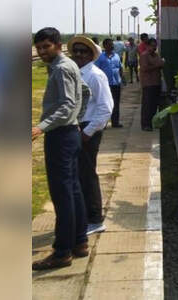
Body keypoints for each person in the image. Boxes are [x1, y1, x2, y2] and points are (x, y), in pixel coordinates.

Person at [32, 27, 89, 270]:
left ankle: (62, 251)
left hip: (61, 137)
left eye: (46, 46)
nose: (42, 51)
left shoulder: (62, 68)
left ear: (57, 45)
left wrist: (41, 127)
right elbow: (84, 92)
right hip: (69, 133)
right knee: (73, 190)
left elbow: (66, 105)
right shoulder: (66, 65)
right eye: (39, 48)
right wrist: (78, 120)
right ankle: (80, 242)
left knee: (62, 194)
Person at [68, 36, 113, 235]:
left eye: (83, 51)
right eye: (76, 51)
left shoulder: (95, 75)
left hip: (88, 129)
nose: (78, 54)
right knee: (78, 174)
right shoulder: (76, 73)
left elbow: (106, 108)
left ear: (90, 54)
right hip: (78, 127)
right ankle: (84, 215)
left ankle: (95, 219)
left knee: (87, 175)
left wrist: (87, 132)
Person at [95, 39, 124, 128]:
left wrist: (121, 79)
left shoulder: (117, 56)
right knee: (105, 104)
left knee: (115, 104)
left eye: (112, 45)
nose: (112, 46)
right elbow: (96, 70)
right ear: (104, 46)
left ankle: (115, 122)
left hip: (116, 84)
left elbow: (120, 68)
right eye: (110, 45)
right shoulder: (100, 57)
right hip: (105, 85)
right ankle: (103, 124)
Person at [139, 37, 166, 131]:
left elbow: (159, 65)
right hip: (148, 83)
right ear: (147, 46)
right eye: (152, 46)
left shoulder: (156, 55)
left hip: (156, 83)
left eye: (155, 46)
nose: (154, 48)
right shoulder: (144, 55)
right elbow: (144, 68)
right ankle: (145, 124)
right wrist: (158, 65)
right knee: (147, 105)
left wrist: (161, 64)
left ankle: (152, 123)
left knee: (154, 105)